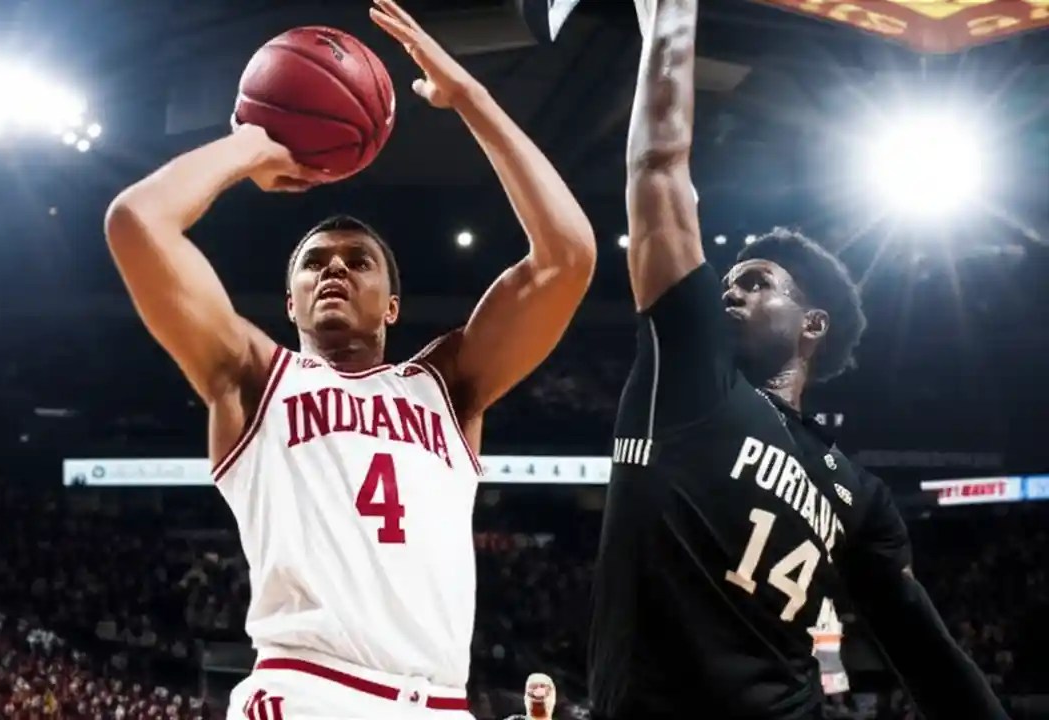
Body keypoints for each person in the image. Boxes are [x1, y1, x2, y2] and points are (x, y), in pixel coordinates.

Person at [105, 0, 596, 717]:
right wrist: (252, 148)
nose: (334, 269)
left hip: (442, 703)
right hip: (308, 691)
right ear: (291, 304)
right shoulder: (255, 376)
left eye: (359, 261)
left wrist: (472, 98)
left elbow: (568, 257)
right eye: (314, 264)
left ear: (393, 306)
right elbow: (137, 221)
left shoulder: (447, 385)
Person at [586, 1, 1009, 719]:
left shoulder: (862, 496)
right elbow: (658, 167)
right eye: (728, 281)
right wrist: (670, 16)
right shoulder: (690, 370)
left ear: (812, 324)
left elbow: (925, 649)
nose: (730, 291)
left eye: (757, 283)